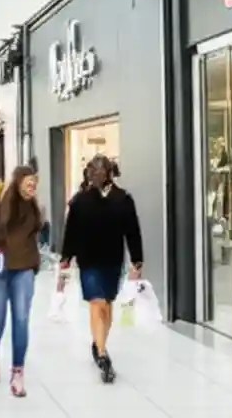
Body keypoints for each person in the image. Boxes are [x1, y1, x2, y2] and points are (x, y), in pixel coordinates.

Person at [59, 155, 143, 384]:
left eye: (101, 171)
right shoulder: (80, 200)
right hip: (88, 261)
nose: (96, 175)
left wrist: (137, 260)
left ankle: (98, 343)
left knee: (107, 305)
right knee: (97, 303)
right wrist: (65, 258)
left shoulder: (123, 199)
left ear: (109, 173)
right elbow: (71, 232)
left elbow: (132, 230)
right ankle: (104, 355)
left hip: (113, 261)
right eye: (92, 171)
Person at [0, 166, 42, 397]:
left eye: (34, 183)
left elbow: (35, 234)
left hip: (23, 269)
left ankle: (17, 372)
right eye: (28, 183)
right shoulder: (0, 205)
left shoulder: (35, 208)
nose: (32, 187)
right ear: (17, 183)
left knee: (21, 319)